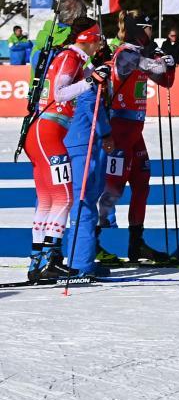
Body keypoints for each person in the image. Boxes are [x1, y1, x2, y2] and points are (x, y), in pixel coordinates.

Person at [24, 18, 106, 282]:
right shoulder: (71, 56)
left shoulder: (73, 58)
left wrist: (93, 73)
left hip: (43, 133)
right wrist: (90, 80)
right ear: (88, 39)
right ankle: (49, 260)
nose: (100, 42)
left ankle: (38, 262)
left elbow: (78, 78)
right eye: (98, 38)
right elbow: (60, 94)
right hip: (48, 133)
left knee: (49, 199)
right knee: (65, 197)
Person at [96, 11, 176, 264]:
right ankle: (94, 240)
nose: (152, 34)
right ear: (140, 30)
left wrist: (168, 66)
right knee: (113, 188)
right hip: (120, 129)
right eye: (149, 29)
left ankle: (136, 243)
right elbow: (154, 67)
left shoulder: (141, 53)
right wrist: (164, 61)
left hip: (135, 131)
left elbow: (165, 81)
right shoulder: (127, 53)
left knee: (142, 183)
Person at [65, 44, 115, 277]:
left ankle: (85, 258)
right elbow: (88, 104)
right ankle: (79, 263)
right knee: (83, 201)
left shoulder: (97, 78)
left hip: (91, 143)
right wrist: (106, 134)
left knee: (90, 199)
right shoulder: (90, 79)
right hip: (84, 143)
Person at [30, 0, 87, 72]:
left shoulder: (43, 35)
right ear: (76, 16)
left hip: (42, 83)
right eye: (84, 16)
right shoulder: (77, 39)